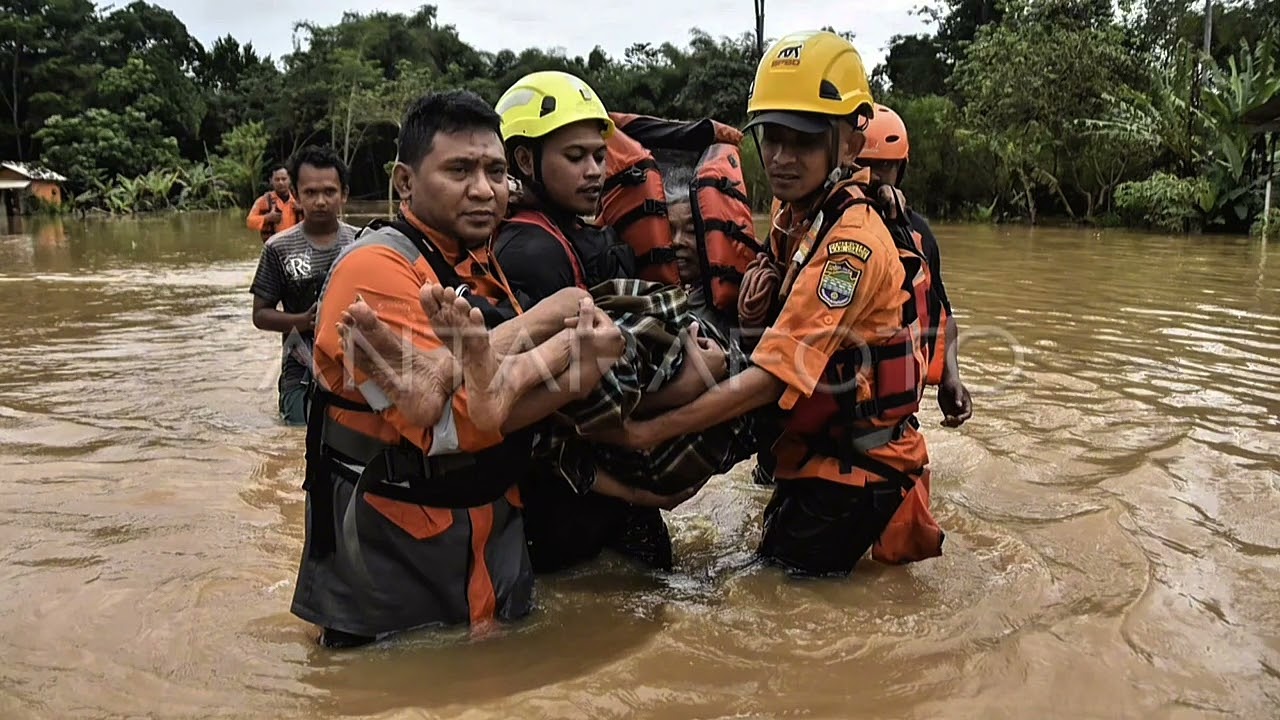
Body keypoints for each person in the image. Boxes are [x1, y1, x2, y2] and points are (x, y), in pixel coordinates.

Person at [596, 30, 945, 577]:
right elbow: (773, 276)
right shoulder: (797, 212)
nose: (781, 158)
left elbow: (770, 378)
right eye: (771, 138)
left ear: (850, 144)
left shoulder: (851, 244)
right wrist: (762, 275)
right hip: (813, 453)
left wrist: (650, 431)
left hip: (855, 471)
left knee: (772, 600)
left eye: (803, 141)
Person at [290, 89, 625, 648]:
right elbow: (455, 426)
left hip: (487, 547)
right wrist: (564, 353)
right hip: (394, 567)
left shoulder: (479, 259)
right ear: (404, 183)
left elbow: (490, 388)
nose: (484, 189)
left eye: (496, 171)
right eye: (460, 170)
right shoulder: (375, 269)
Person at [490, 71, 761, 574]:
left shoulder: (577, 233)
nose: (594, 170)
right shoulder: (532, 252)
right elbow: (551, 410)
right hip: (568, 509)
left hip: (606, 502)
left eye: (598, 155)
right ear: (525, 161)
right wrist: (682, 390)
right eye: (575, 158)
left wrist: (703, 132)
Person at [857, 103, 972, 428]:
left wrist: (951, 375)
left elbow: (942, 313)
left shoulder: (917, 235)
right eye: (863, 166)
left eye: (883, 167)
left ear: (900, 170)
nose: (873, 178)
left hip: (890, 421)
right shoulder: (818, 226)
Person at [250, 146, 358, 426]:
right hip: (299, 365)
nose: (320, 201)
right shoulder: (278, 248)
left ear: (343, 194)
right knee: (296, 437)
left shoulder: (361, 243)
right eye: (310, 193)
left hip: (353, 365)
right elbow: (260, 315)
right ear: (296, 196)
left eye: (329, 192)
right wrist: (304, 320)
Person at [246, 166, 302, 242]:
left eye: (284, 179)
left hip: (296, 245)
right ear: (271, 181)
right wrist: (267, 218)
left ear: (290, 180)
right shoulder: (263, 201)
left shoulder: (300, 200)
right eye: (277, 179)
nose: (281, 182)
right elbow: (250, 222)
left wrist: (303, 210)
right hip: (273, 247)